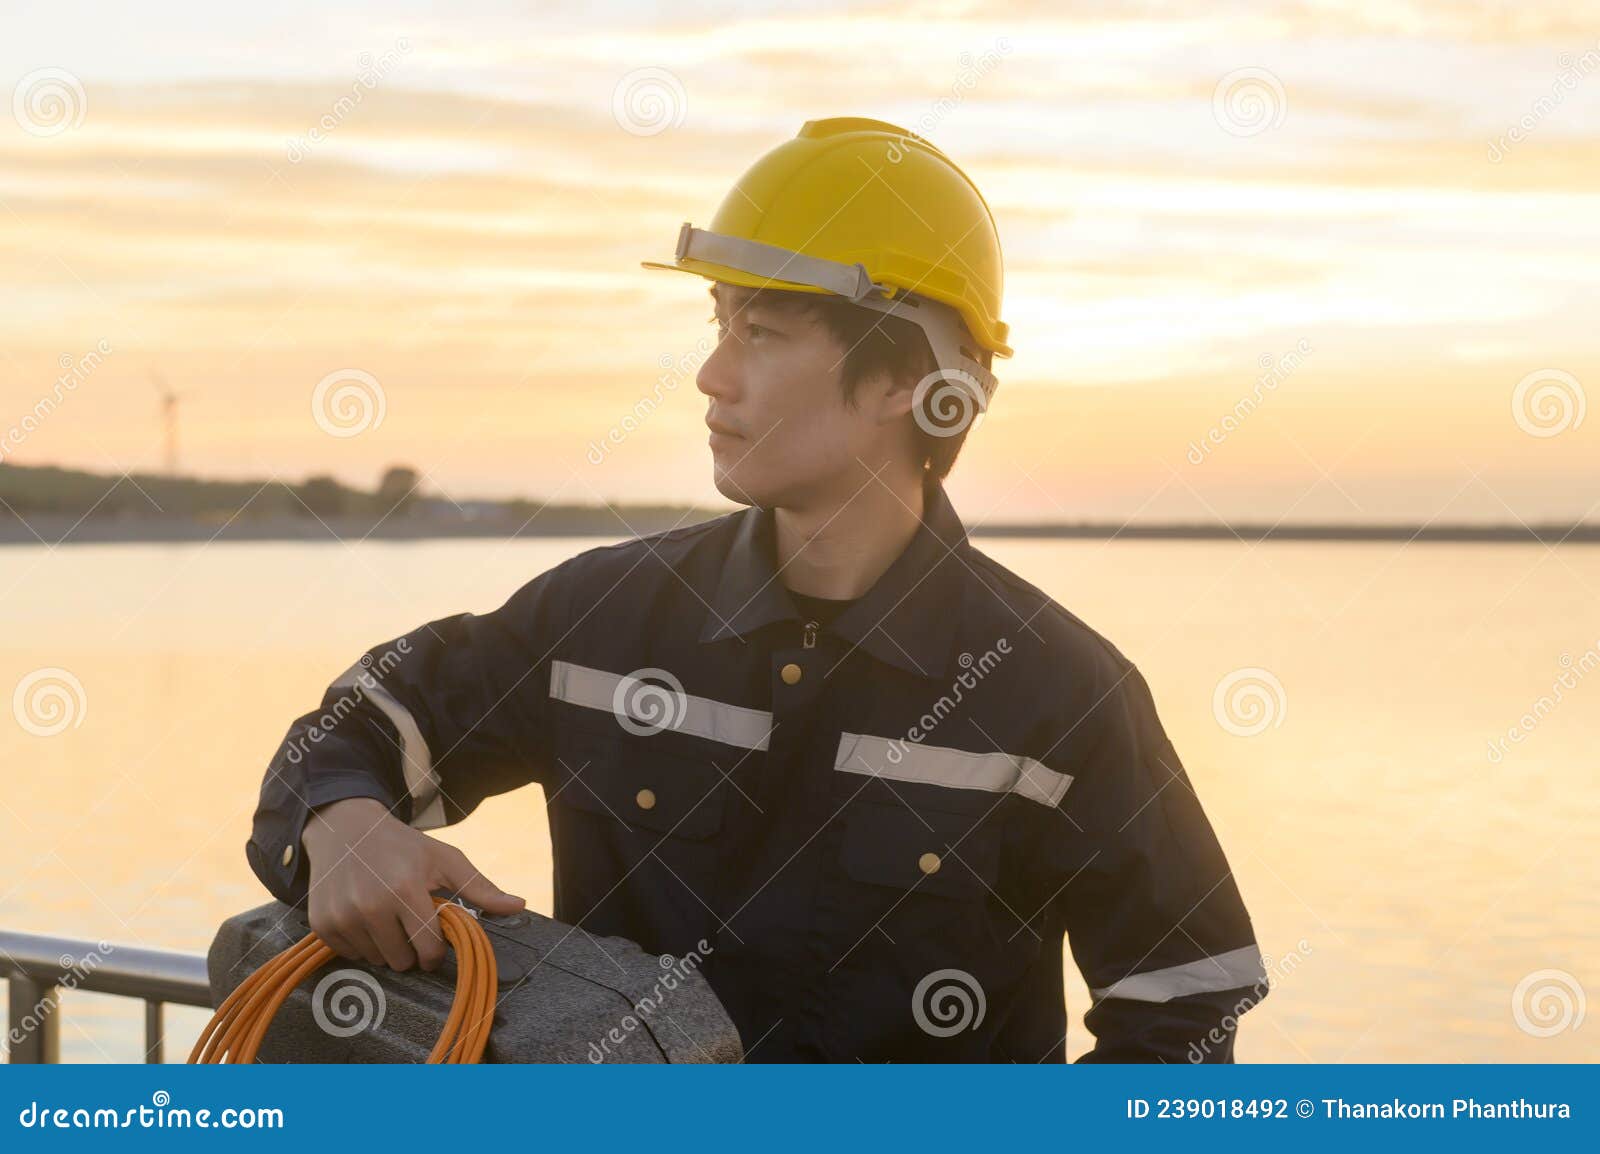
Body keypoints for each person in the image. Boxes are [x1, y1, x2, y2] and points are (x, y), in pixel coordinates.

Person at [247, 117, 1267, 1062]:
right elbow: (355, 728)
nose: (711, 374)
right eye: (718, 322)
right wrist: (343, 823)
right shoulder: (603, 620)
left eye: (762, 333)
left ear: (905, 380)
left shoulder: (1059, 692)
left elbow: (1187, 1009)